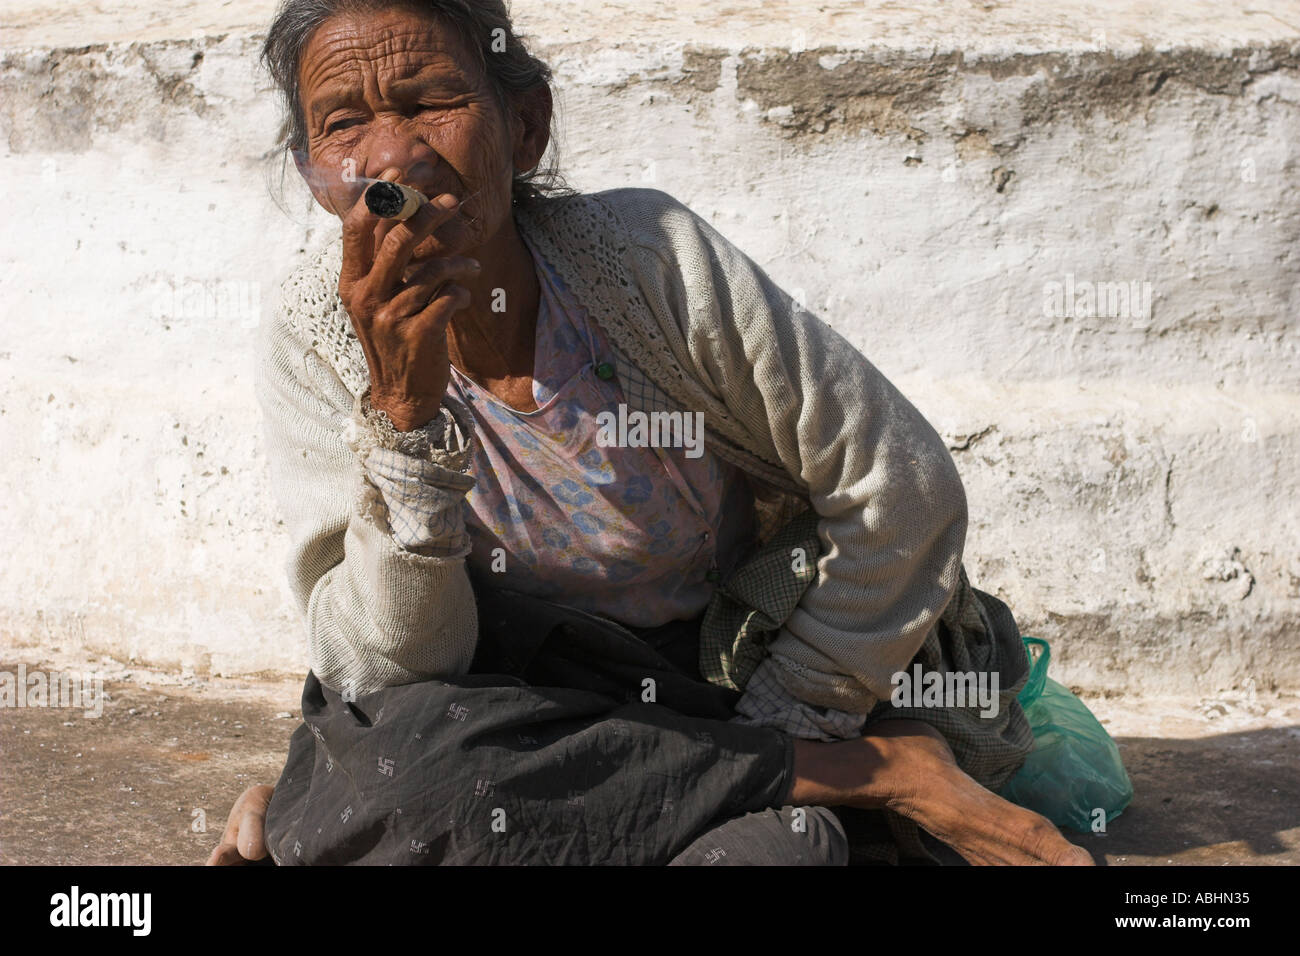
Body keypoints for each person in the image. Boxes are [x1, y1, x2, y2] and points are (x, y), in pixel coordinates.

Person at [208, 0, 1093, 866]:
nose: (393, 155)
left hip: (745, 675)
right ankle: (850, 778)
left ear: (526, 126)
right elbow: (390, 670)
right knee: (420, 769)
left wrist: (784, 722)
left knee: (776, 851)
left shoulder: (646, 259)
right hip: (530, 712)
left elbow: (900, 489)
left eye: (432, 100)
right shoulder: (309, 333)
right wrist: (406, 425)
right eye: (344, 123)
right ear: (312, 172)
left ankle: (827, 773)